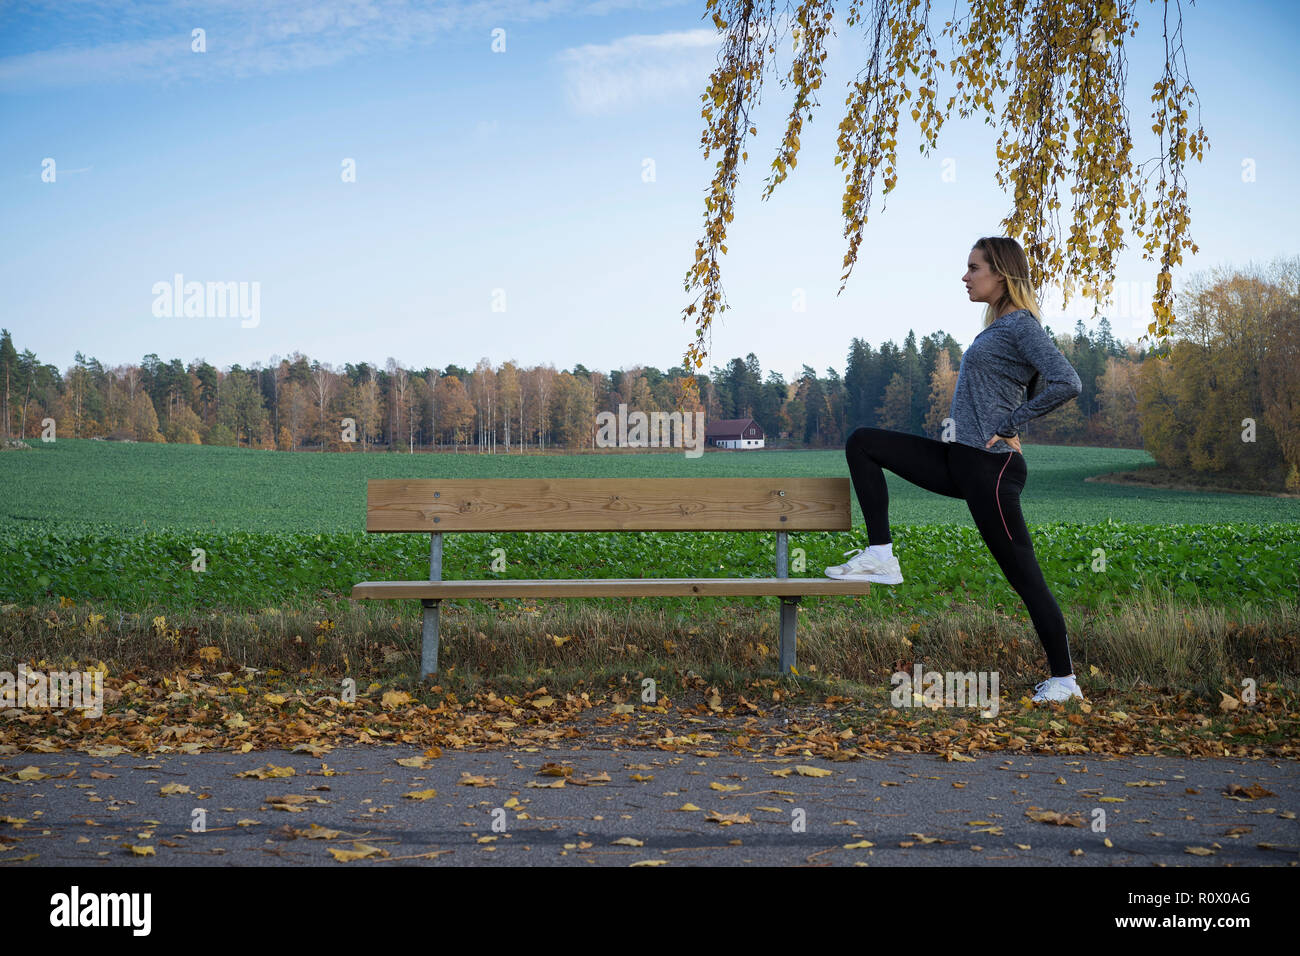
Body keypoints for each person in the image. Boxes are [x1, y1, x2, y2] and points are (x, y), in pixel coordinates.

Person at [827, 236, 1085, 703]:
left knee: (1026, 578)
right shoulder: (997, 329)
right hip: (960, 460)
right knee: (863, 442)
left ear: (1001, 274)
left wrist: (1011, 421)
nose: (965, 277)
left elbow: (1068, 381)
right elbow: (1014, 383)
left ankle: (1064, 680)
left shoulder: (1022, 326)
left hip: (991, 468)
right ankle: (881, 555)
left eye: (974, 268)